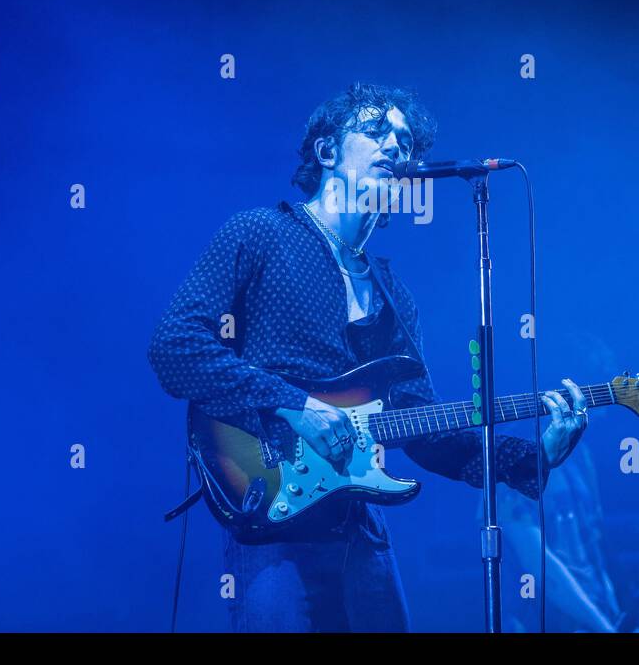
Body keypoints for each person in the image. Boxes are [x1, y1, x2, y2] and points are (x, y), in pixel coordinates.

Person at [148, 82, 587, 631]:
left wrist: (535, 456)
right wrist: (295, 405)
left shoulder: (392, 293)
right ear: (328, 152)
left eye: (405, 143)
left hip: (362, 530)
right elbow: (175, 348)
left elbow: (426, 432)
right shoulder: (259, 234)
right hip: (276, 521)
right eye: (376, 132)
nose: (396, 150)